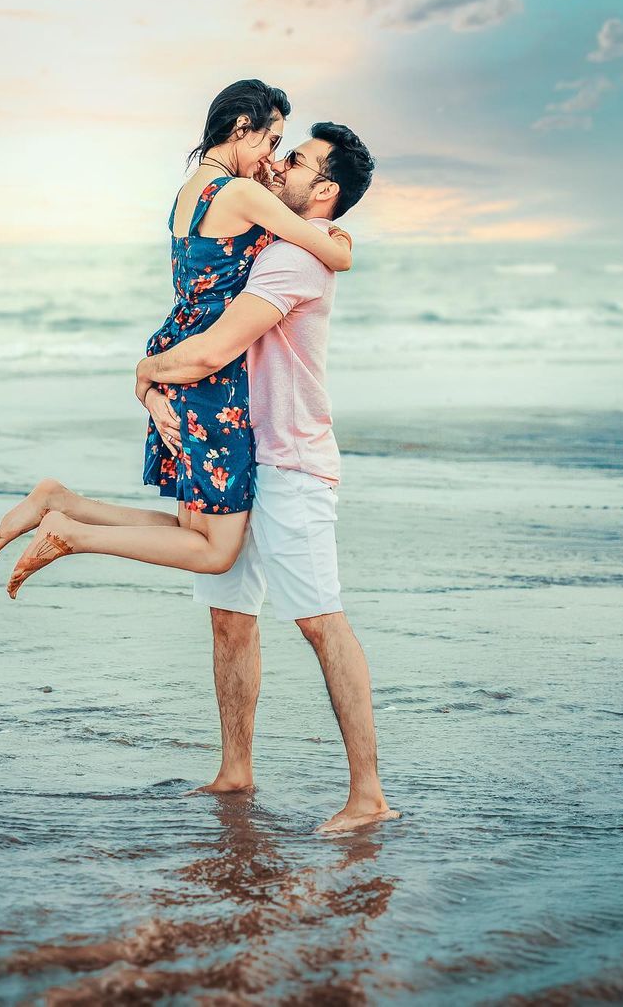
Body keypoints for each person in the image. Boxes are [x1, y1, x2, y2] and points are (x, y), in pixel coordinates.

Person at [135, 123, 399, 834]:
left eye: (300, 160)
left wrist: (147, 372)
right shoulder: (281, 244)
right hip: (246, 455)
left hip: (292, 464)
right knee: (230, 620)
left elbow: (217, 346)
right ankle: (235, 770)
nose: (281, 164)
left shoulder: (292, 263)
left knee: (320, 621)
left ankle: (368, 795)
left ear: (325, 191)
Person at [0, 79, 352, 595]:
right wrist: (342, 238)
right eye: (272, 143)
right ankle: (70, 532)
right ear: (242, 129)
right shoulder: (242, 193)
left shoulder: (189, 194)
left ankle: (63, 504)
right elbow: (328, 253)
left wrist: (151, 378)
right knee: (216, 550)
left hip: (176, 351)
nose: (273, 160)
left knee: (193, 533)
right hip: (213, 375)